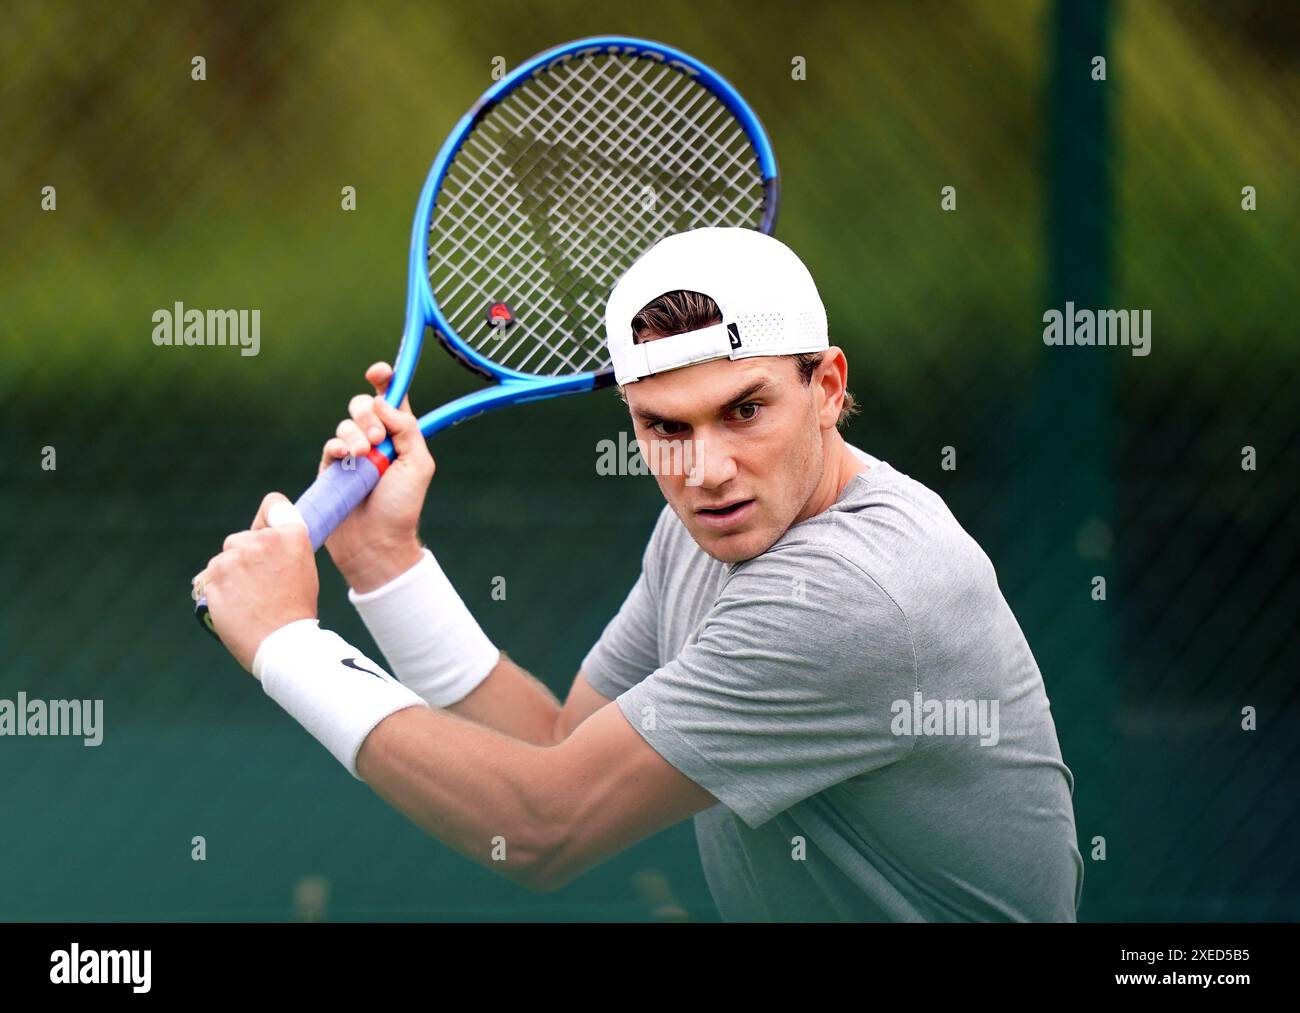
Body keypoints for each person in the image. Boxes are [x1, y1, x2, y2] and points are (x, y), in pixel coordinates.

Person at [197, 227, 1084, 921]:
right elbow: (555, 746)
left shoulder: (858, 595)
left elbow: (543, 827)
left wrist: (287, 646)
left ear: (826, 384)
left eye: (746, 410)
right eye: (665, 426)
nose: (707, 470)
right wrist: (386, 565)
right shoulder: (702, 528)